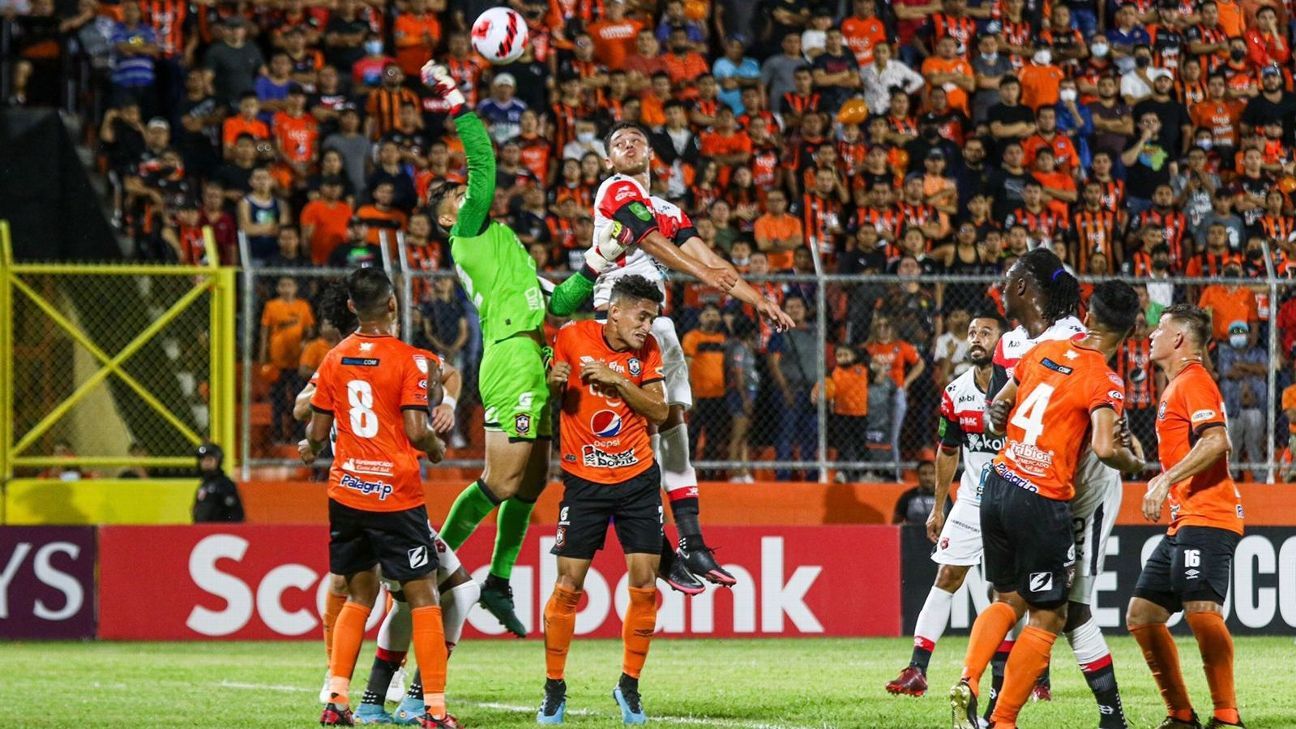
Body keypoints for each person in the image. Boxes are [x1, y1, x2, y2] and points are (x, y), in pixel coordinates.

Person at [423, 65, 607, 637]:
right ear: (451, 216)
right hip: (509, 359)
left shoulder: (511, 252)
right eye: (458, 195)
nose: (469, 194)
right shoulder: (469, 232)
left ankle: (497, 582)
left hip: (536, 355)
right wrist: (456, 100)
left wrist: (600, 256)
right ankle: (431, 557)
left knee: (531, 484)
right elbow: (484, 165)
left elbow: (563, 301)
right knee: (501, 483)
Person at [582, 119, 792, 590]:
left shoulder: (666, 208)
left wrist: (759, 301)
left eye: (636, 139)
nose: (629, 144)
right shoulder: (613, 190)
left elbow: (713, 262)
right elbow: (648, 240)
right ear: (609, 160)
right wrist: (701, 271)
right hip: (619, 324)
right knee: (641, 445)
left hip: (655, 326)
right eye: (618, 142)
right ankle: (659, 550)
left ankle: (693, 544)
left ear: (652, 153)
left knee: (675, 428)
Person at [950, 280, 1145, 729]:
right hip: (1040, 499)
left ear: (1088, 316)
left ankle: (970, 679)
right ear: (1130, 331)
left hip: (996, 482)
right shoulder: (1105, 379)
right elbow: (1103, 447)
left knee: (1007, 596)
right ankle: (1003, 721)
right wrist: (1134, 462)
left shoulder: (1044, 350)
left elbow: (997, 409)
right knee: (1051, 614)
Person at [299, 268, 454, 728]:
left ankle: (337, 701)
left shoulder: (334, 358)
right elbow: (415, 429)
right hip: (396, 493)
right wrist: (436, 448)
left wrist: (310, 446)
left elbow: (318, 430)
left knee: (359, 593)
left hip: (346, 491)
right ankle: (435, 711)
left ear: (351, 307)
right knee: (424, 595)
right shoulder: (408, 359)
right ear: (392, 305)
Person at [538, 275, 670, 726]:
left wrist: (617, 380)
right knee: (568, 587)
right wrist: (553, 380)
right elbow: (552, 392)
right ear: (614, 310)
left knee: (645, 583)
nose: (646, 325)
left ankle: (629, 686)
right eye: (641, 315)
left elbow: (660, 411)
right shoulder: (572, 336)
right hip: (584, 480)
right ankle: (554, 687)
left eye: (652, 318)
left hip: (637, 478)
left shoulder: (647, 351)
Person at [1128, 303, 1246, 729]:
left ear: (1179, 339)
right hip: (1185, 520)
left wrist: (1163, 481)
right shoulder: (1177, 385)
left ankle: (1227, 716)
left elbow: (1217, 441)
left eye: (1160, 329)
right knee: (1142, 614)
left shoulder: (1193, 381)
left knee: (1201, 609)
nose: (1151, 336)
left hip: (1208, 515)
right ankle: (1180, 715)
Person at [886, 312, 1003, 697]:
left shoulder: (1022, 387)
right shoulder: (956, 392)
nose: (976, 338)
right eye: (972, 332)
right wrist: (939, 507)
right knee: (947, 577)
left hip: (1016, 501)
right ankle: (917, 668)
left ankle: (1009, 676)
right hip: (971, 501)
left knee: (1006, 593)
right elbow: (948, 451)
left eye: (986, 331)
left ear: (1002, 340)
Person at [191, 443, 243, 523]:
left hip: (219, 533)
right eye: (203, 459)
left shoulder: (225, 484)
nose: (206, 463)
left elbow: (234, 514)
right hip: (204, 532)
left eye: (209, 459)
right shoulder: (204, 484)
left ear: (218, 461)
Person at [892, 450, 938, 525]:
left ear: (936, 475)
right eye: (924, 474)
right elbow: (896, 522)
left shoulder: (943, 496)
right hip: (913, 534)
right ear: (918, 476)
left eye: (931, 473)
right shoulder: (908, 496)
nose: (928, 478)